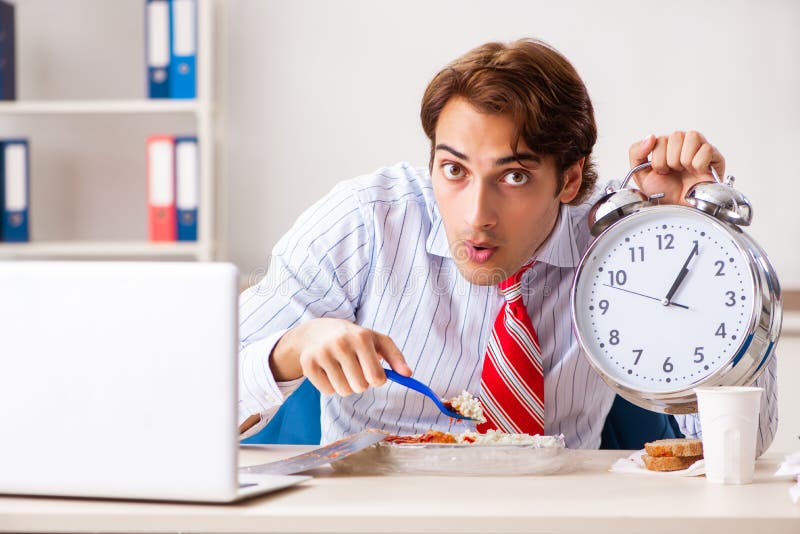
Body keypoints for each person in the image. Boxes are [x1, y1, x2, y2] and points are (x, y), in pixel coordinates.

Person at [237, 38, 777, 453]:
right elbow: (198, 399)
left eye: (514, 176)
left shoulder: (621, 245)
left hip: (555, 513)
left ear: (569, 180)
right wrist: (293, 347)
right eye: (454, 170)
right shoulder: (365, 222)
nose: (476, 215)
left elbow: (740, 446)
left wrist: (699, 239)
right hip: (376, 512)